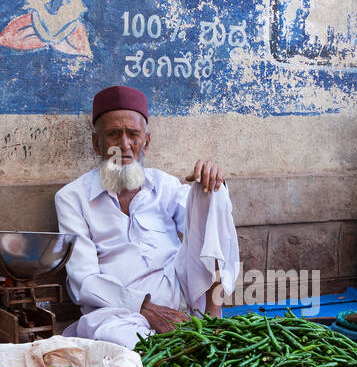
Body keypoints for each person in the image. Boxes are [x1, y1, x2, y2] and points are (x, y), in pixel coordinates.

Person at [54, 84, 239, 349]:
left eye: (133, 135)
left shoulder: (165, 185)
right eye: (113, 135)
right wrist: (146, 308)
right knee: (125, 344)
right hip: (119, 314)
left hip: (184, 300)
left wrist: (212, 179)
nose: (124, 145)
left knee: (213, 193)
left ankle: (212, 317)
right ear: (97, 143)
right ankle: (178, 345)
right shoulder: (72, 198)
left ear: (146, 142)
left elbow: (209, 225)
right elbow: (83, 281)